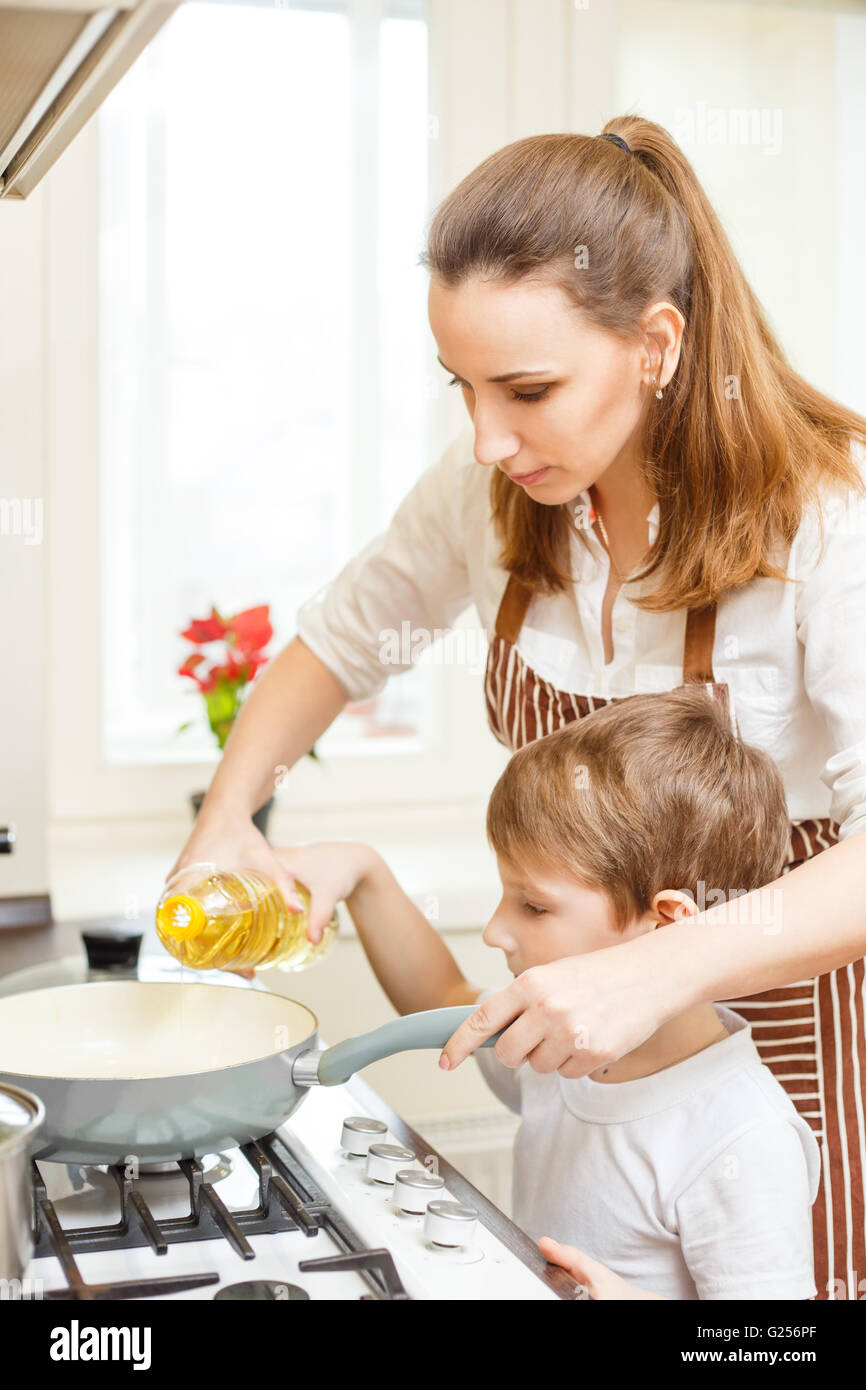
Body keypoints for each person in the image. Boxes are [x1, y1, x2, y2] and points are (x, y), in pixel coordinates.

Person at [169, 117, 866, 1299]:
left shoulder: (825, 519)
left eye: (527, 389)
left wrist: (655, 973)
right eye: (464, 388)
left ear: (655, 344)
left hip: (793, 1062)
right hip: (590, 1058)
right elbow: (337, 644)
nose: (487, 437)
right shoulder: (504, 482)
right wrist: (229, 817)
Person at [277, 688, 821, 1299]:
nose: (494, 931)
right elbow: (445, 996)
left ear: (667, 923)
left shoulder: (741, 1136)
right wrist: (364, 873)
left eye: (533, 905)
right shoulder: (563, 1052)